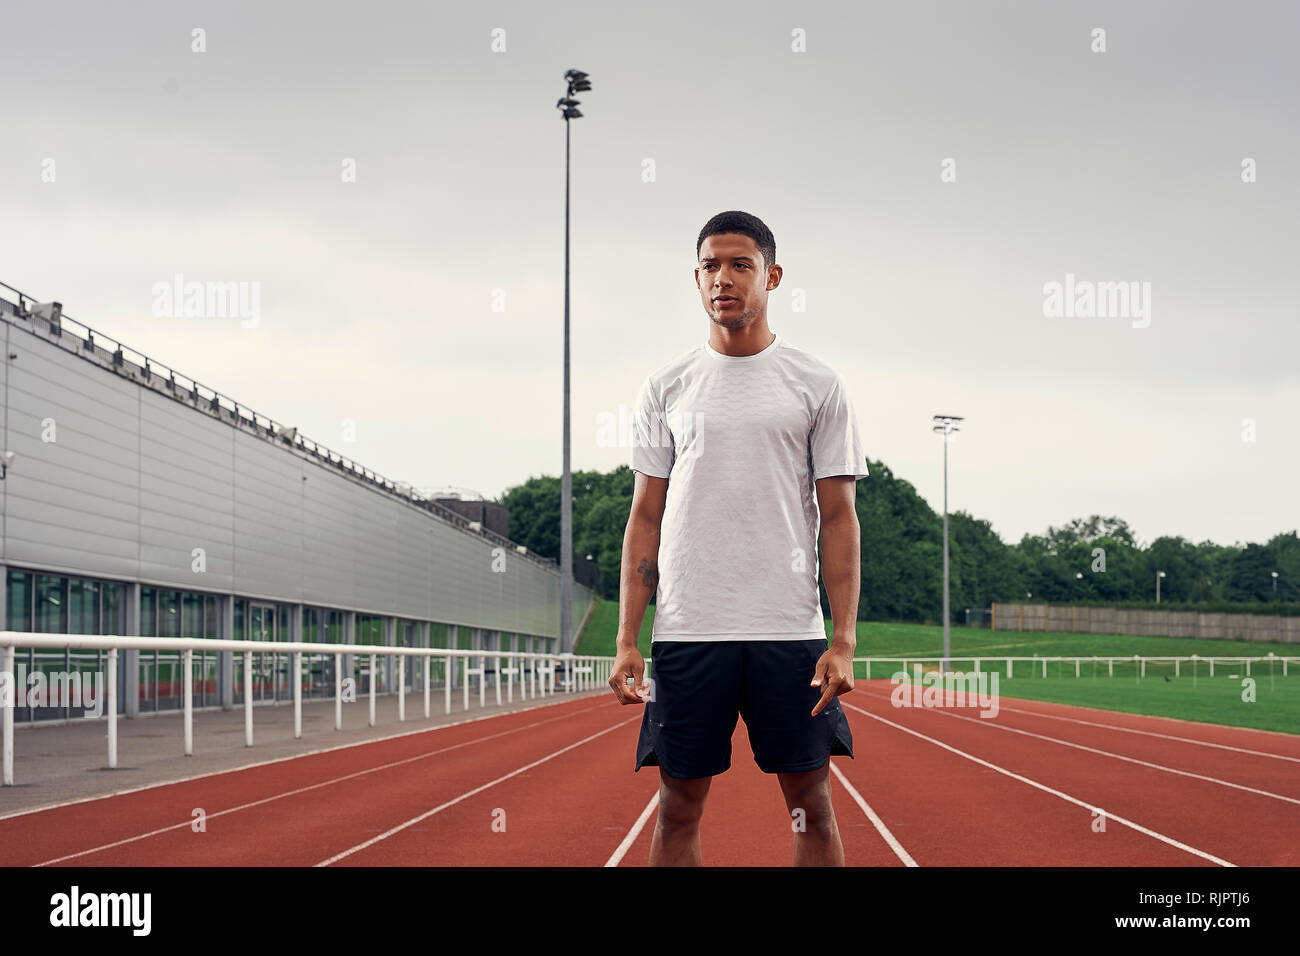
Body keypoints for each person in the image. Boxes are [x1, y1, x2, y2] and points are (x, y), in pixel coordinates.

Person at [608, 210, 869, 866]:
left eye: (740, 265)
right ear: (695, 279)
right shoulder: (666, 387)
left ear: (772, 276)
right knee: (677, 807)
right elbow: (645, 516)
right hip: (688, 630)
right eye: (710, 266)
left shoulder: (817, 384)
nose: (722, 278)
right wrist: (625, 638)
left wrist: (842, 639)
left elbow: (838, 517)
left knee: (812, 804)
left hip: (788, 630)